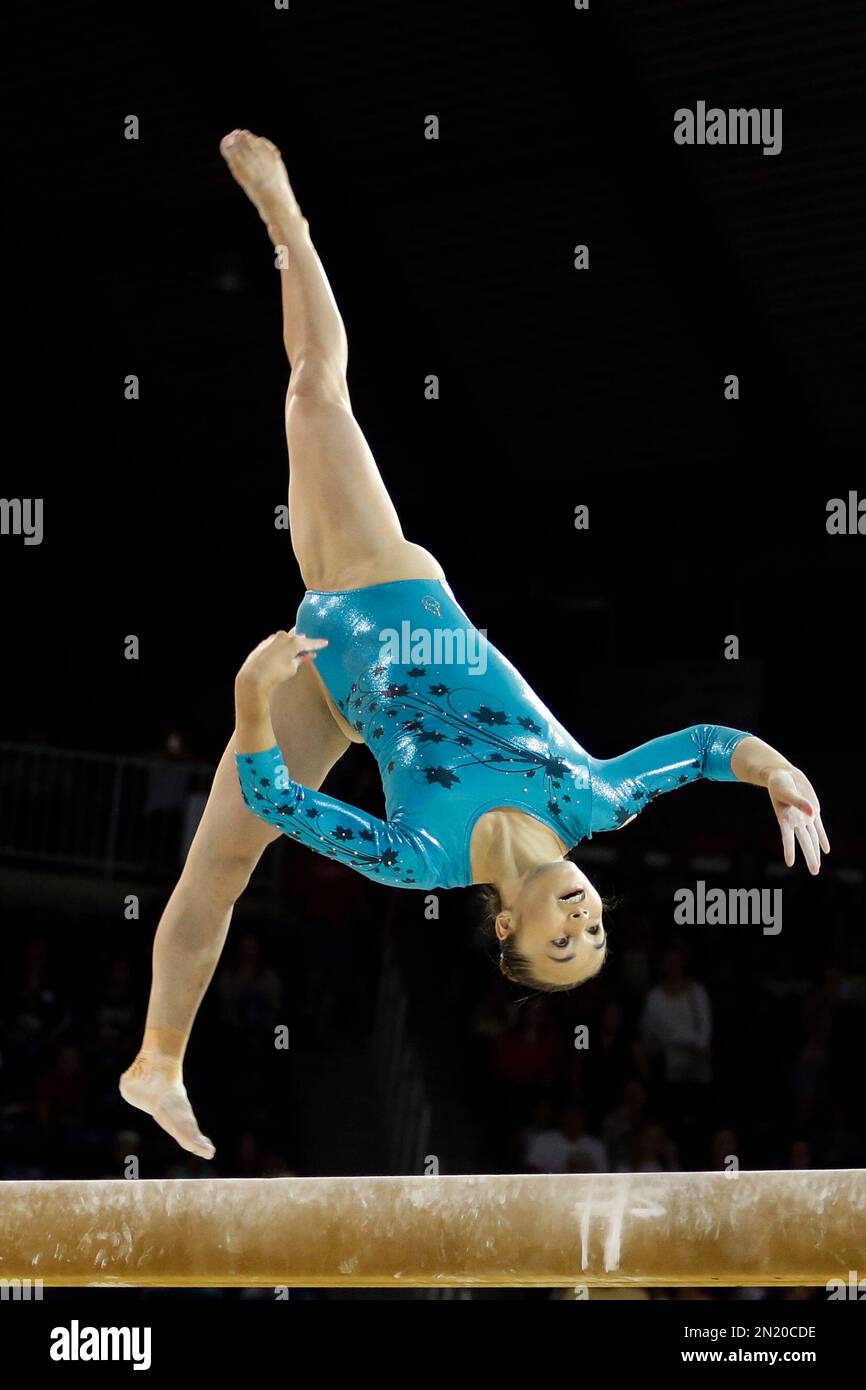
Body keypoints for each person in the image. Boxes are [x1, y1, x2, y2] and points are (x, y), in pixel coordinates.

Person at [120, 130, 830, 1159]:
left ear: (505, 929)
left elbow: (280, 802)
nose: (582, 926)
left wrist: (245, 699)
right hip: (381, 590)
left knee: (219, 865)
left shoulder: (421, 860)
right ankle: (289, 223)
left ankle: (154, 1060)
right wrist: (781, 777)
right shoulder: (591, 798)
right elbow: (709, 744)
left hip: (321, 690)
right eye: (592, 935)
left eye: (558, 943)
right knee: (315, 390)